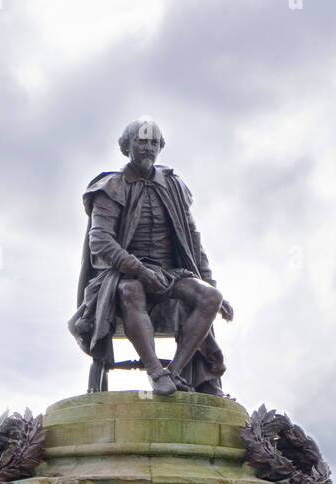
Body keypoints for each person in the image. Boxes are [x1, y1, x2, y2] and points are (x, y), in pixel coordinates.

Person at [69, 117, 233, 396]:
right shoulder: (111, 187)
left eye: (154, 142)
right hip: (124, 276)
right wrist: (139, 270)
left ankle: (174, 372)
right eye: (141, 141)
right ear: (126, 146)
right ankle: (155, 371)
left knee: (210, 299)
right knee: (131, 291)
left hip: (171, 274)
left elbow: (193, 242)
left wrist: (212, 285)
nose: (148, 147)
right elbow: (100, 241)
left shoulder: (174, 187)